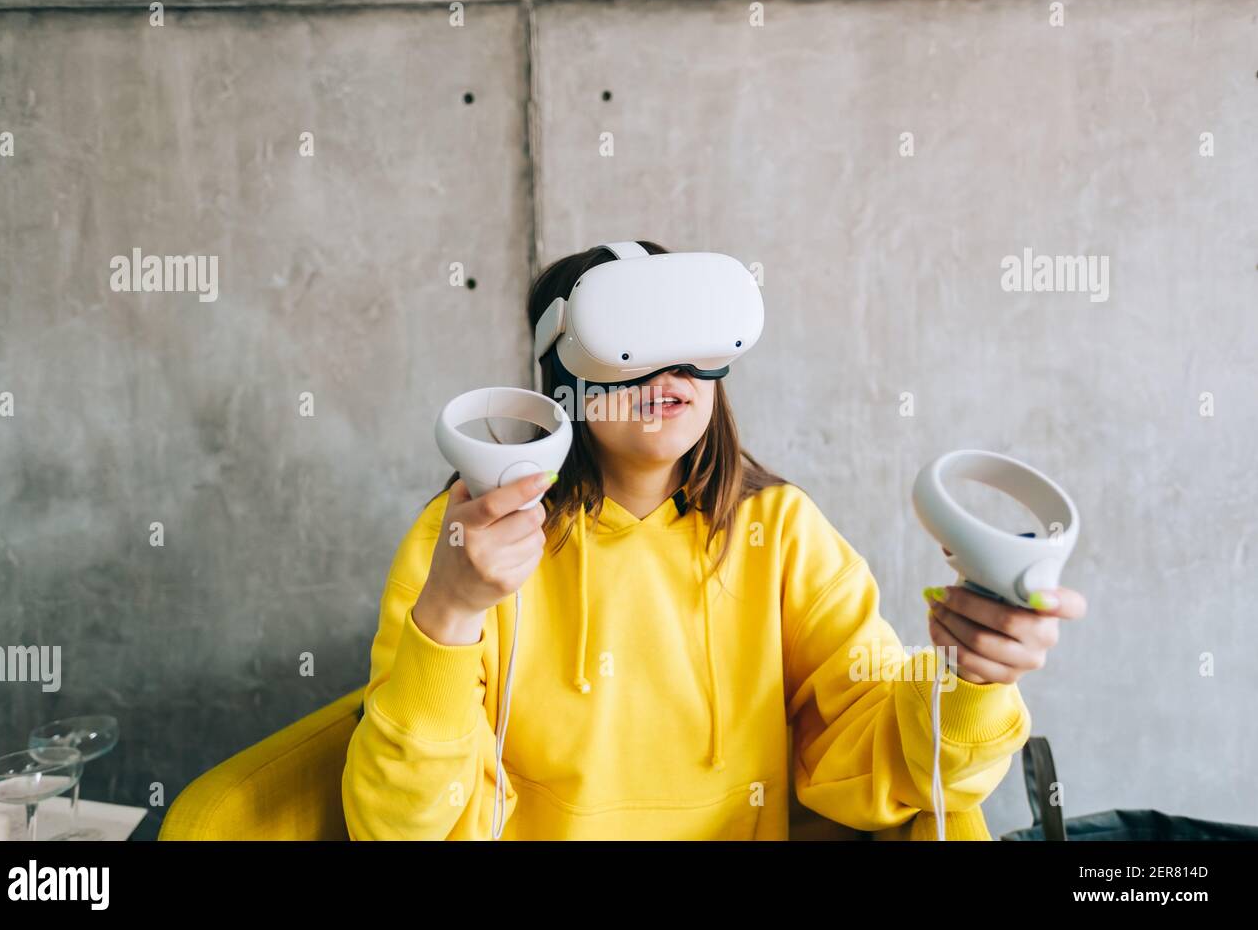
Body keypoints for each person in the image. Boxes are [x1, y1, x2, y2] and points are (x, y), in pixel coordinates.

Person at [341, 240, 1088, 840]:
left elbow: (876, 763)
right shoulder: (465, 541)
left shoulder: (784, 535)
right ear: (562, 365)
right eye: (629, 341)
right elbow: (400, 825)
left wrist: (976, 682)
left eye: (690, 337)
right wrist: (450, 611)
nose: (668, 367)